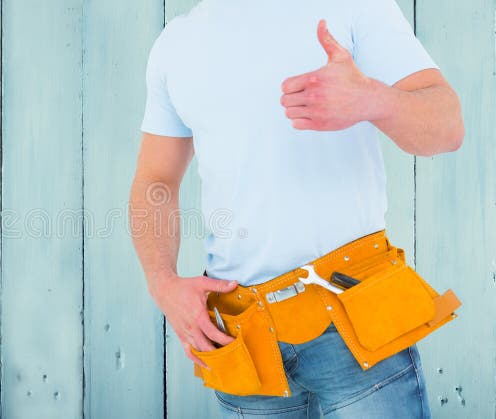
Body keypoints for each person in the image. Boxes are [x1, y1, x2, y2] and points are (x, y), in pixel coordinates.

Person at [129, 0, 464, 417]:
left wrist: (374, 100)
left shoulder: (352, 7)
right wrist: (161, 283)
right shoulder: (174, 44)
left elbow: (448, 126)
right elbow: (155, 182)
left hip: (355, 321)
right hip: (241, 338)